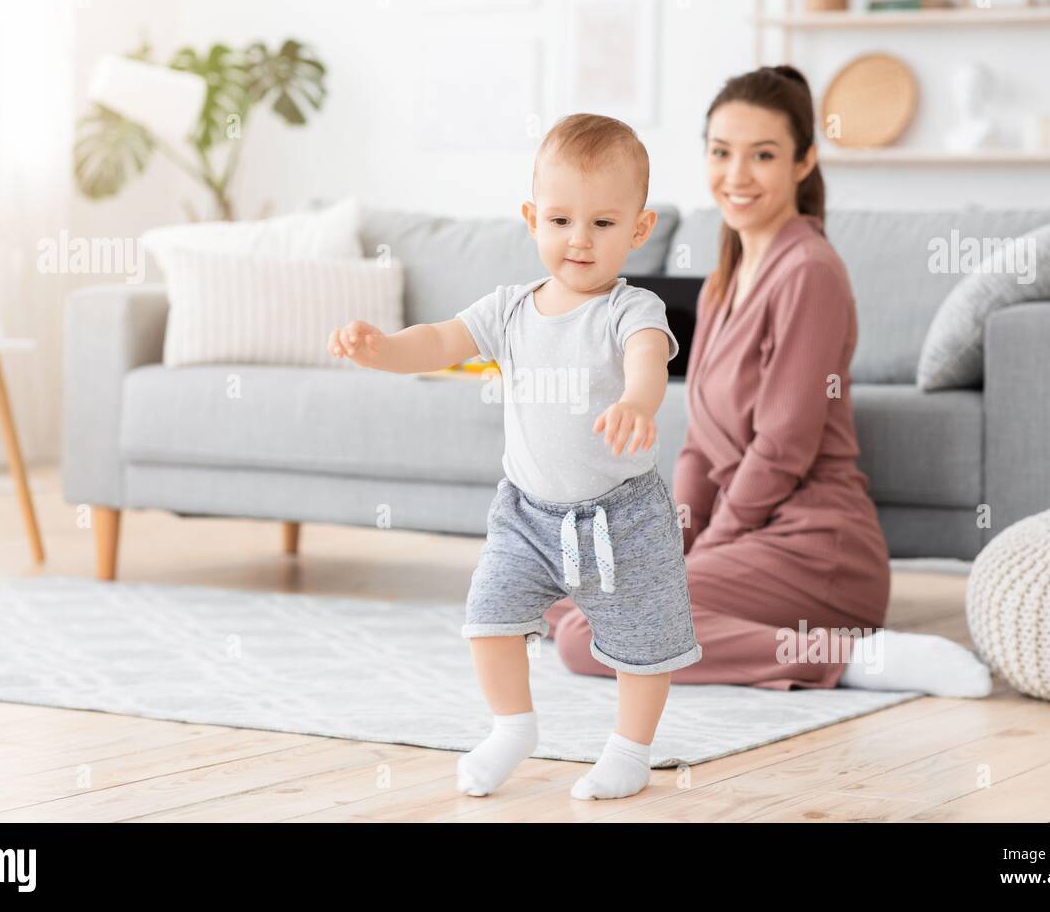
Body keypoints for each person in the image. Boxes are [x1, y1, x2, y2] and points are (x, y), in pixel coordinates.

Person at [544, 68, 992, 699]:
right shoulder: (725, 277)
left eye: (763, 155)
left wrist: (699, 558)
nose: (737, 176)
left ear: (804, 160)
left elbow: (783, 446)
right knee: (563, 603)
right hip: (747, 538)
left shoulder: (809, 271)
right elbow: (701, 445)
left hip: (817, 548)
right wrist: (674, 546)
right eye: (722, 153)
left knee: (587, 633)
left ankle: (852, 659)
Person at [329, 112, 698, 800]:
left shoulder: (632, 309)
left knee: (647, 644)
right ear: (532, 218)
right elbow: (439, 341)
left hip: (622, 520)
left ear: (639, 230)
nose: (578, 240)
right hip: (526, 513)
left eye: (603, 224)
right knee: (488, 618)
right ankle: (512, 728)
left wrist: (637, 405)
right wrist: (382, 349)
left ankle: (629, 750)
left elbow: (648, 363)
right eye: (560, 220)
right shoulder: (509, 308)